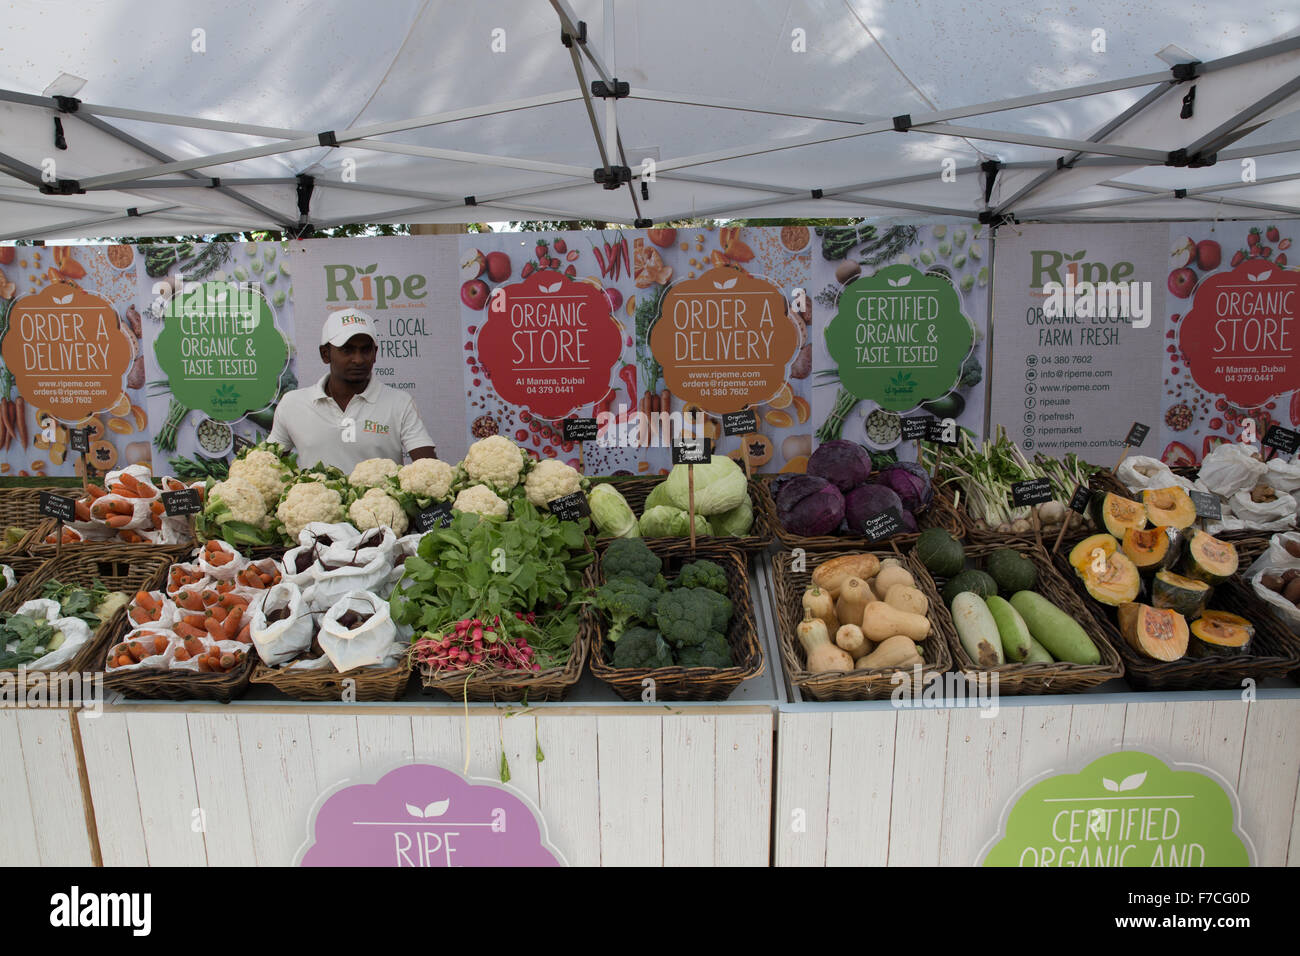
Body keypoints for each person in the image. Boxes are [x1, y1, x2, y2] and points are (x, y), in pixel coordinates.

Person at [269, 308, 437, 472]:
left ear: (375, 352)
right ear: (325, 354)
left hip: (380, 500)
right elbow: (268, 467)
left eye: (365, 350)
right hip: (317, 500)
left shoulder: (400, 402)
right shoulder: (293, 404)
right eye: (347, 350)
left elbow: (429, 469)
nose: (358, 360)